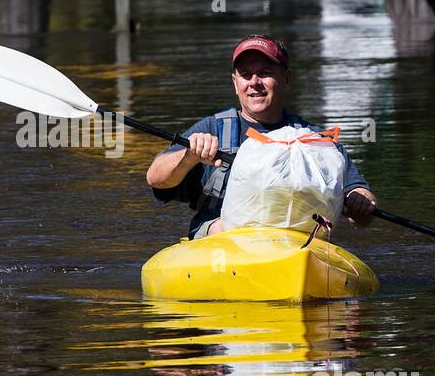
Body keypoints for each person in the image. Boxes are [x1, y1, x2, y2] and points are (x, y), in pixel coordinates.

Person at [146, 34, 377, 239]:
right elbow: (156, 178)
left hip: (299, 242)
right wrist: (189, 157)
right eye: (246, 75)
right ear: (235, 84)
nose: (254, 83)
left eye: (265, 74)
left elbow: (360, 205)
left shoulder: (315, 141)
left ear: (286, 79)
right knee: (227, 228)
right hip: (224, 237)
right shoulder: (213, 128)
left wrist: (360, 199)